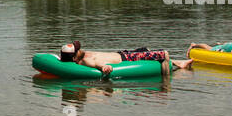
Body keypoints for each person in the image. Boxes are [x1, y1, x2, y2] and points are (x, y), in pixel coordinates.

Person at [58, 40, 192, 77]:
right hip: (124, 57)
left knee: (149, 50)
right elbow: (98, 63)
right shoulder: (85, 58)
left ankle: (178, 63)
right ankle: (179, 64)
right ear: (74, 56)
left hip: (124, 55)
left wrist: (103, 66)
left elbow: (96, 62)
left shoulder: (84, 58)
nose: (80, 49)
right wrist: (104, 67)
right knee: (156, 54)